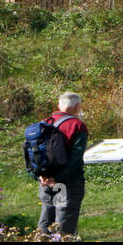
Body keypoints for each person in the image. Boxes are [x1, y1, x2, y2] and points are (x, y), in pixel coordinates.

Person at [37, 91, 88, 236]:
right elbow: (76, 158)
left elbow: (34, 153)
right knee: (64, 223)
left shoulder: (44, 123)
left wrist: (41, 176)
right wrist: (58, 179)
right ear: (77, 107)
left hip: (45, 180)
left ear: (59, 105)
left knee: (46, 218)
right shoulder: (77, 126)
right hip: (68, 182)